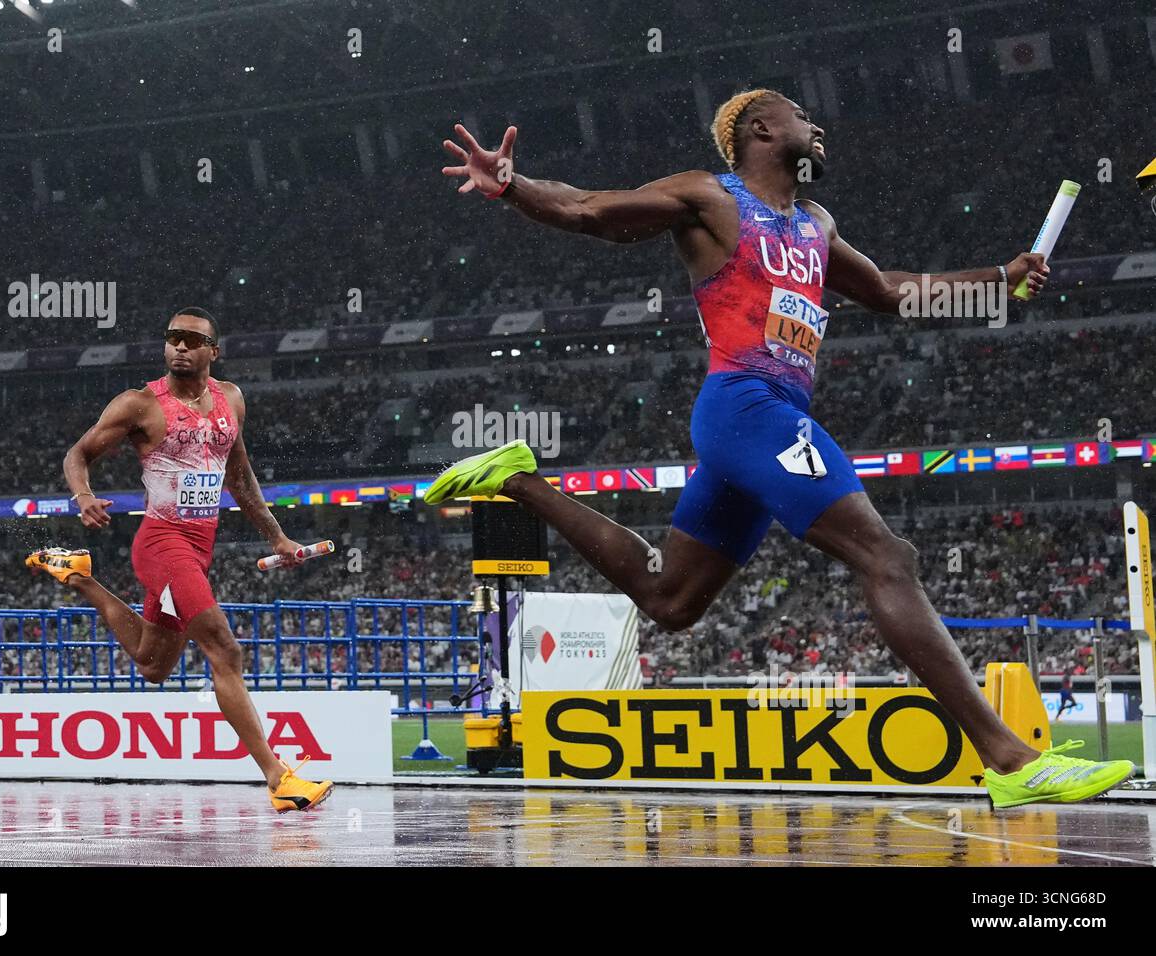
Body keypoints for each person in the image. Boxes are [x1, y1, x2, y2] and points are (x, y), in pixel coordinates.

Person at [431, 89, 1132, 808]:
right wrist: (513, 187)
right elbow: (589, 210)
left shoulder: (815, 224)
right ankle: (1010, 758)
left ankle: (520, 482)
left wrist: (997, 282)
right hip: (746, 405)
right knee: (888, 558)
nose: (817, 123)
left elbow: (890, 292)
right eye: (802, 113)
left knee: (670, 601)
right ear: (761, 128)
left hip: (767, 418)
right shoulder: (711, 196)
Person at [25, 307, 332, 812]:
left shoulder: (231, 399)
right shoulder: (140, 405)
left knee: (152, 663)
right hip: (162, 541)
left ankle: (81, 579)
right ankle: (278, 778)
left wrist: (276, 538)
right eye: (173, 338)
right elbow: (76, 455)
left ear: (214, 350)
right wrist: (83, 496)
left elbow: (240, 476)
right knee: (224, 650)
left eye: (193, 339)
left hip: (200, 546)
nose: (181, 347)